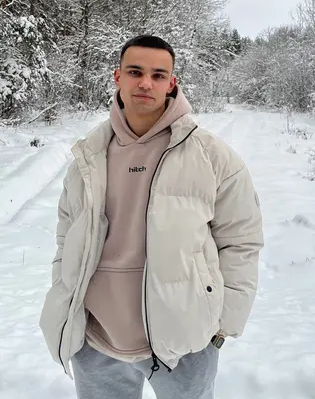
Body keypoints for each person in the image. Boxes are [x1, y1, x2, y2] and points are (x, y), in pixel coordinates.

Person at [39, 34, 264, 399]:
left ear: (172, 83)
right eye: (135, 71)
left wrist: (222, 324)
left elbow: (241, 240)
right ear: (117, 77)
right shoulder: (88, 157)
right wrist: (65, 298)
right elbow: (67, 237)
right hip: (96, 338)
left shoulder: (212, 156)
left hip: (185, 339)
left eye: (158, 75)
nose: (146, 82)